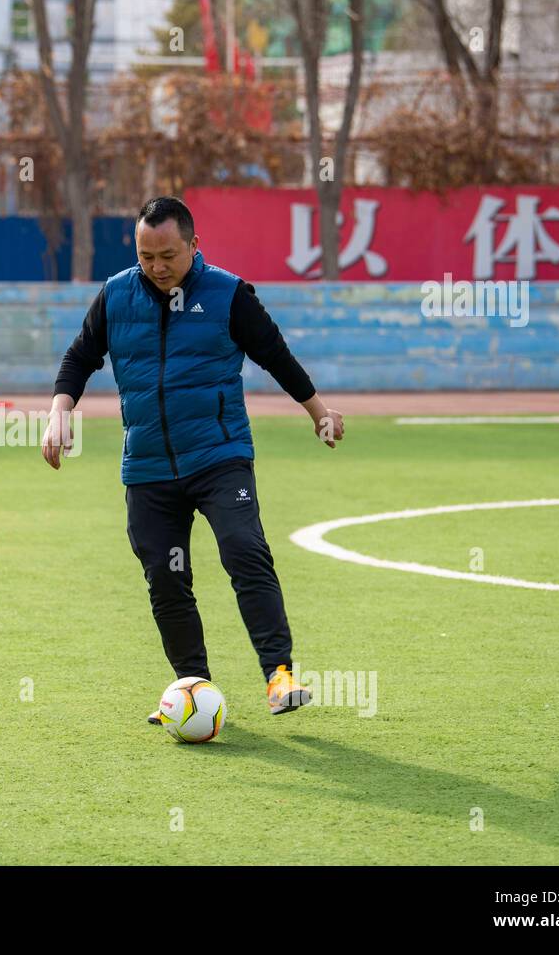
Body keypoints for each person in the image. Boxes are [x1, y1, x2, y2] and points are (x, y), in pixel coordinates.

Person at [42, 196, 345, 722]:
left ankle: (279, 674)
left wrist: (318, 411)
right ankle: (192, 684)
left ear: (194, 246)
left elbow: (275, 355)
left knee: (244, 550)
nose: (157, 268)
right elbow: (81, 356)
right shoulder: (116, 295)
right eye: (146, 256)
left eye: (168, 255)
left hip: (219, 456)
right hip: (149, 466)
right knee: (164, 575)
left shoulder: (228, 294)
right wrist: (58, 412)